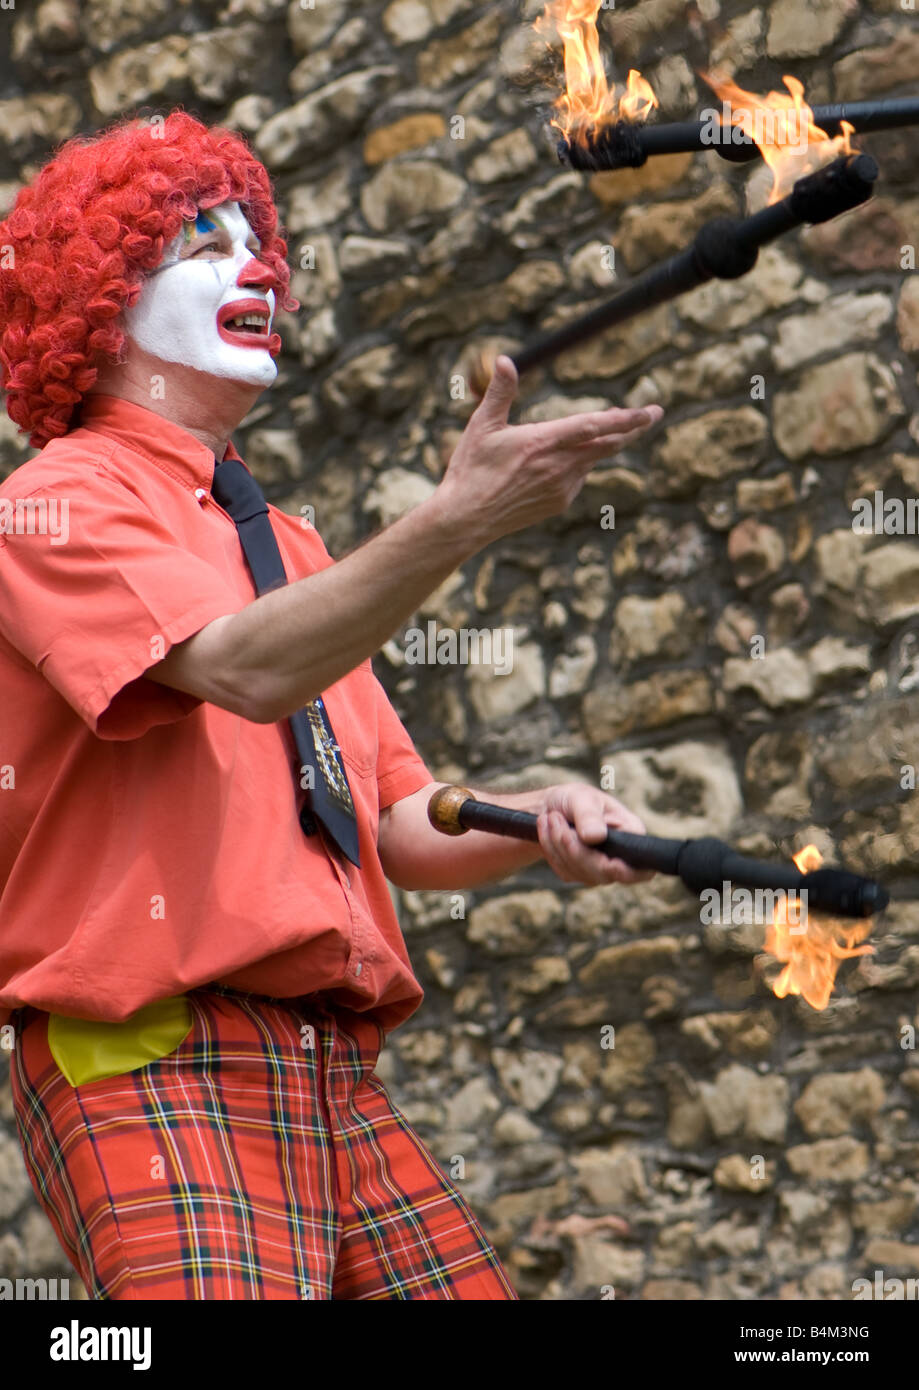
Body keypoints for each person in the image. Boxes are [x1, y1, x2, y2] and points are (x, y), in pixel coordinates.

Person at [0, 110, 663, 1300]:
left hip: (330, 1062)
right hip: (150, 1048)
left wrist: (535, 817)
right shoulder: (50, 505)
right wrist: (454, 520)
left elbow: (397, 821)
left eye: (256, 237)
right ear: (95, 305)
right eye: (201, 242)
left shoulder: (292, 548)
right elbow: (243, 669)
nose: (255, 263)